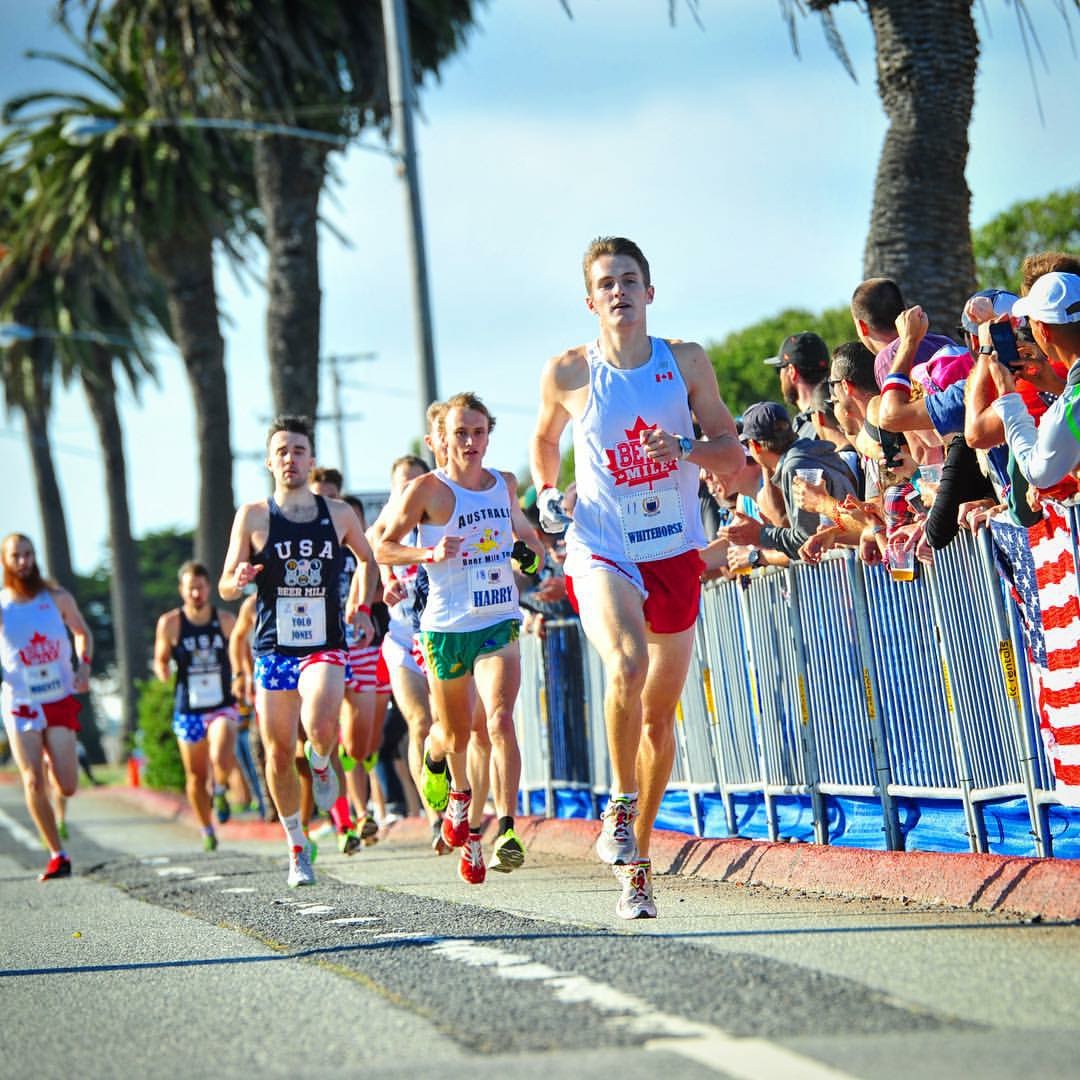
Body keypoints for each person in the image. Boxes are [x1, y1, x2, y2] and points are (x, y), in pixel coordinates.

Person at [530, 236, 742, 919]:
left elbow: (733, 457)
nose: (618, 291)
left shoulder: (685, 361)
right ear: (590, 301)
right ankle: (618, 806)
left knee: (657, 715)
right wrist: (545, 491)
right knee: (624, 663)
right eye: (606, 283)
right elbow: (544, 439)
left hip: (674, 548)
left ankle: (640, 862)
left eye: (629, 280)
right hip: (603, 546)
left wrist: (683, 447)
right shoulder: (569, 371)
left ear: (649, 292)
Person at [377, 392, 543, 885]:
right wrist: (426, 555)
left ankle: (506, 830)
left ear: (489, 436)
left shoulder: (504, 484)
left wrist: (528, 553)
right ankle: (444, 775)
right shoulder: (426, 490)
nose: (471, 442)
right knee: (453, 735)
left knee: (498, 720)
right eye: (461, 434)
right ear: (443, 440)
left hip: (497, 619)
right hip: (447, 628)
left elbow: (528, 539)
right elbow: (383, 547)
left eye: (479, 432)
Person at [219, 415, 376, 887]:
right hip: (274, 649)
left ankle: (323, 761)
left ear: (312, 460)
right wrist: (238, 579)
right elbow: (226, 584)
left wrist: (361, 606)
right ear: (269, 462)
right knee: (279, 750)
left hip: (324, 643)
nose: (290, 458)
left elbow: (367, 560)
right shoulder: (253, 516)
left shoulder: (339, 514)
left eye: (299, 450)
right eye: (282, 451)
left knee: (322, 724)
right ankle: (296, 844)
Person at [0, 533, 93, 881]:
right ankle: (57, 854)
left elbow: (82, 633)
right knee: (32, 780)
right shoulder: (3, 606)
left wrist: (84, 667)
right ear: (5, 562)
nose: (23, 562)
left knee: (67, 786)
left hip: (58, 697)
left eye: (28, 554)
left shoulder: (56, 598)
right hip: (20, 702)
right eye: (16, 556)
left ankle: (58, 771)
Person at [153, 561, 239, 851]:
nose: (195, 593)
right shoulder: (171, 623)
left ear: (208, 588)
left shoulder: (225, 620)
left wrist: (242, 677)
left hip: (222, 703)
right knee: (196, 775)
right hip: (188, 708)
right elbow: (161, 659)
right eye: (190, 588)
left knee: (222, 748)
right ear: (182, 590)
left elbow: (241, 653)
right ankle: (206, 828)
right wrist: (163, 670)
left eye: (200, 587)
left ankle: (221, 788)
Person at [721, 402, 857, 561]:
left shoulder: (795, 466)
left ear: (754, 446)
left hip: (846, 566)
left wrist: (761, 534)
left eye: (747, 445)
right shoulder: (812, 453)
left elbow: (806, 541)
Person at [991, 272, 1080, 488]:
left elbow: (1037, 472)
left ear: (1043, 330)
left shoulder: (1066, 413)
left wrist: (1008, 397)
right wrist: (1056, 386)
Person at [764, 332, 830, 441]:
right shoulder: (838, 413)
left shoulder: (821, 422)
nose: (779, 376)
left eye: (779, 369)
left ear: (791, 371)